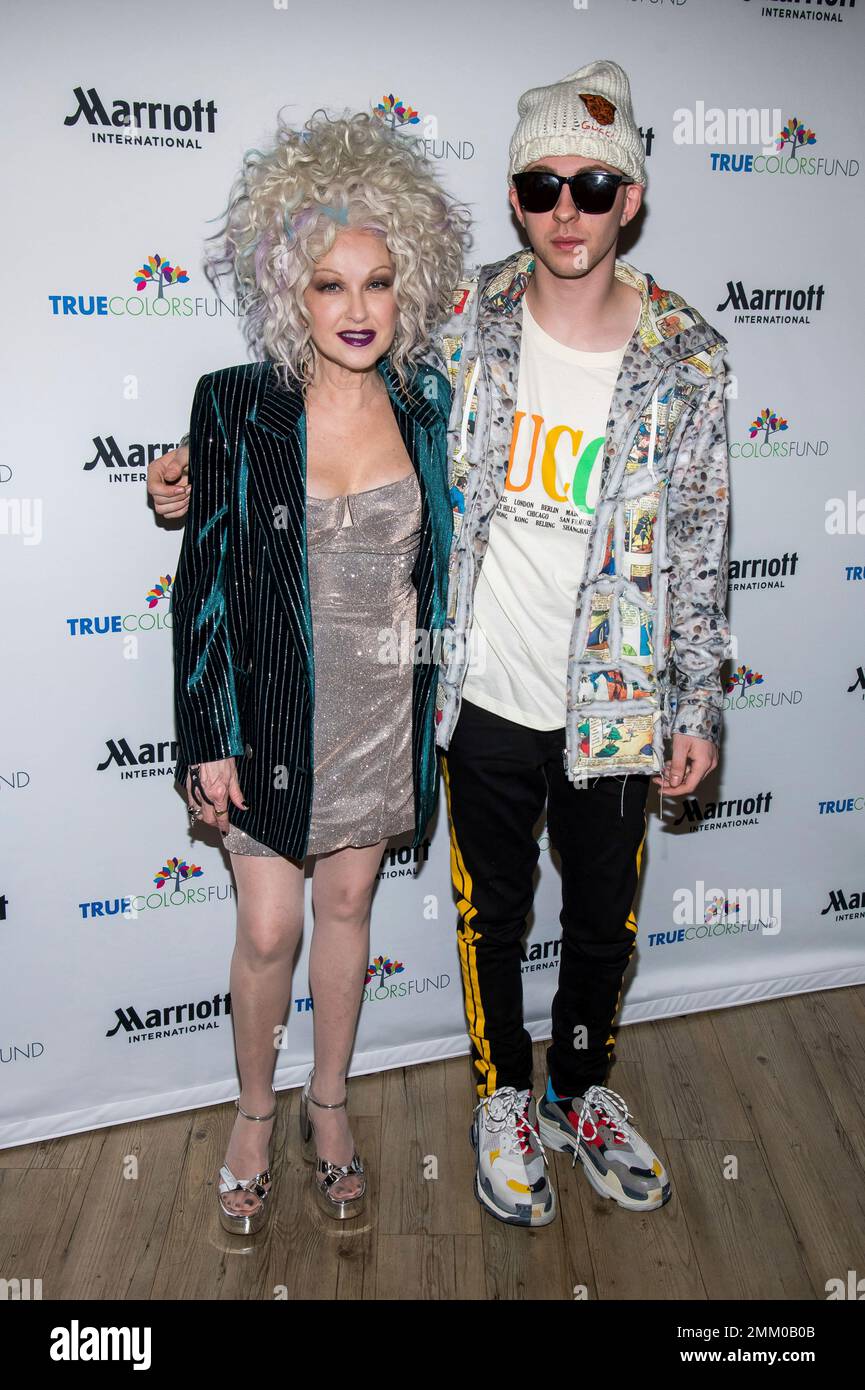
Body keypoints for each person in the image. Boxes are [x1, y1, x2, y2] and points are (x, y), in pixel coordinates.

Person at [151, 59, 731, 1231]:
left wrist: (696, 699)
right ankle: (359, 1108)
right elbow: (226, 520)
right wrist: (184, 475)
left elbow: (702, 541)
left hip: (537, 704)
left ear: (630, 195)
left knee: (592, 924)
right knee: (417, 920)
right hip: (421, 702)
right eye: (541, 182)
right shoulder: (441, 333)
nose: (565, 205)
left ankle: (543, 1092)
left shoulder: (658, 358)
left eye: (593, 183)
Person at [168, 109, 466, 1233]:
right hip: (271, 715)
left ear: (411, 287)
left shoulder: (430, 406)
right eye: (329, 285)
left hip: (383, 710)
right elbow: (201, 584)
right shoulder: (235, 405)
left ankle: (326, 1104)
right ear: (287, 287)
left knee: (347, 907)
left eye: (379, 283)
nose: (355, 310)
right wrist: (207, 732)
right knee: (266, 931)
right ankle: (254, 1108)